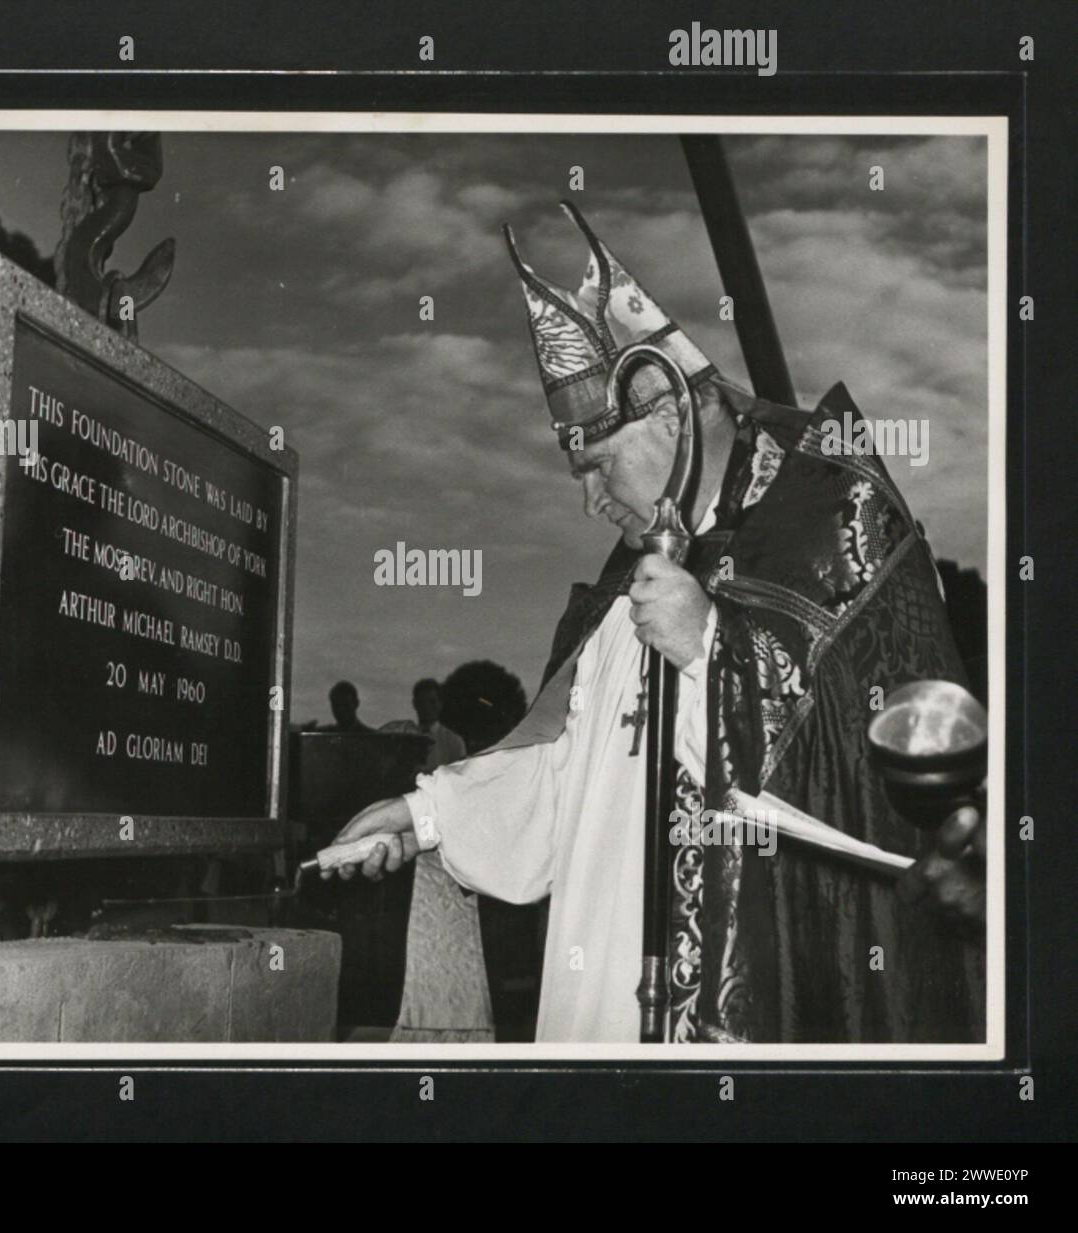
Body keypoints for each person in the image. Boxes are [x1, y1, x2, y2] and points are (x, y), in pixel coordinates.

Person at [329, 201, 985, 1044]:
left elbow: (894, 784)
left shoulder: (841, 526)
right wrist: (421, 816)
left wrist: (716, 648)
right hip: (602, 998)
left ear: (671, 411)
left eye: (597, 466)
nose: (593, 501)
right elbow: (567, 774)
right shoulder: (625, 591)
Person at [381, 679, 467, 771]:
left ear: (440, 704)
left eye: (432, 702)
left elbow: (460, 778)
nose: (427, 707)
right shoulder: (402, 734)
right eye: (422, 702)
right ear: (415, 704)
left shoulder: (454, 742)